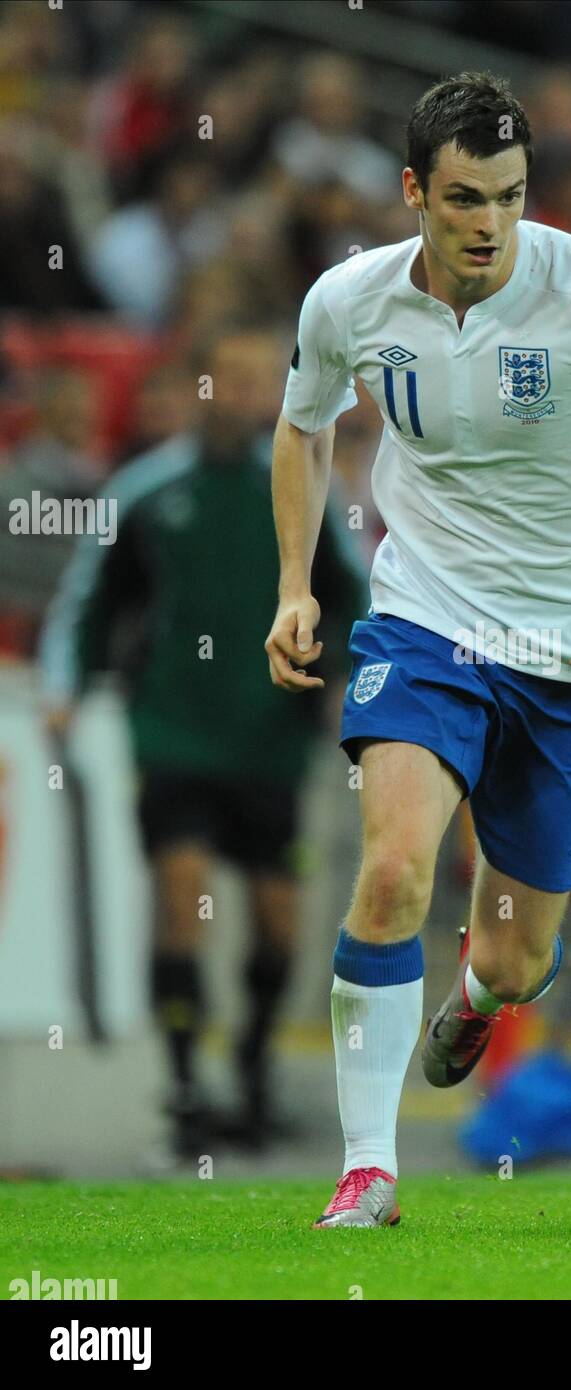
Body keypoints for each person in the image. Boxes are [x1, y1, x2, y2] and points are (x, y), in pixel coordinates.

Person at [264, 72, 571, 1228]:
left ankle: (478, 988)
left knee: (524, 956)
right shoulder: (350, 302)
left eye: (513, 197)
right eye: (468, 197)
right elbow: (300, 425)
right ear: (414, 190)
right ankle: (369, 1169)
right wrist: (293, 584)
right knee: (389, 870)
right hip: (427, 621)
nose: (490, 223)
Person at [40, 326, 369, 1160]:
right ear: (204, 386)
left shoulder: (301, 488)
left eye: (269, 379)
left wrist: (348, 683)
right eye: (240, 378)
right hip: (173, 730)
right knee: (181, 897)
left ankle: (254, 1070)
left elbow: (356, 594)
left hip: (269, 737)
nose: (255, 394)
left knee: (279, 921)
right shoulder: (150, 489)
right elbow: (91, 598)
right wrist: (64, 688)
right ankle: (187, 1082)